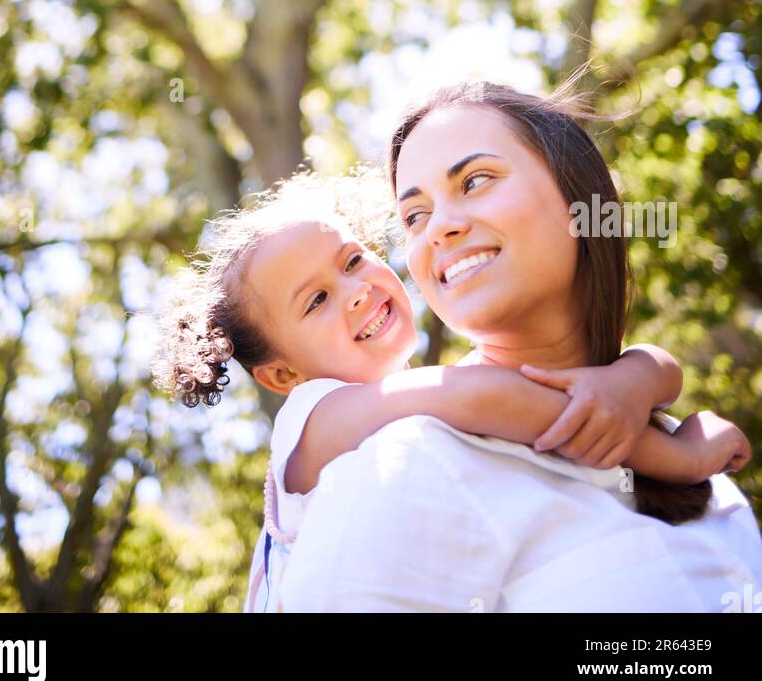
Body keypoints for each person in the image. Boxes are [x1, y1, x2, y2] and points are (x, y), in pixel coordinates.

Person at [149, 156, 748, 613]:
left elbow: (547, 387)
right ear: (282, 375)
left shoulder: (425, 406)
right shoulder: (312, 418)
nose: (355, 288)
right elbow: (489, 397)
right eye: (318, 300)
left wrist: (638, 375)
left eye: (352, 260)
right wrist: (673, 453)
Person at [273, 80, 762, 612]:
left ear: (579, 200)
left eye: (475, 180)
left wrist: (644, 383)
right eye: (414, 216)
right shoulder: (408, 461)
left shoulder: (710, 488)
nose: (439, 229)